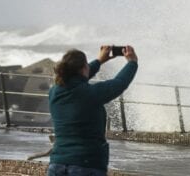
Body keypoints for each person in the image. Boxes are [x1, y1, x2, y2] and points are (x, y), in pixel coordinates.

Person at [47, 45, 138, 176]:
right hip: (86, 165)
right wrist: (132, 62)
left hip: (57, 165)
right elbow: (119, 83)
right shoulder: (90, 94)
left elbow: (76, 78)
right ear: (84, 68)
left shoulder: (55, 91)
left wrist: (99, 61)